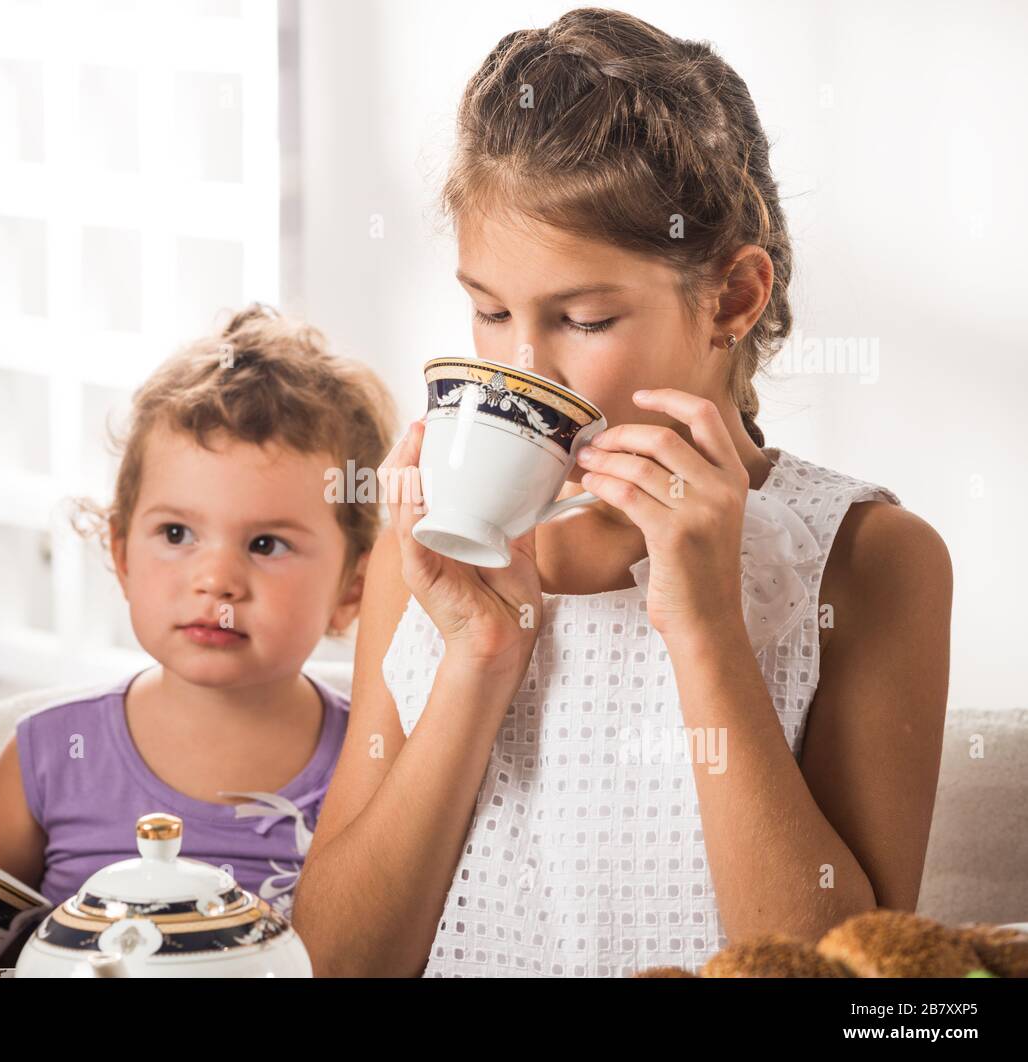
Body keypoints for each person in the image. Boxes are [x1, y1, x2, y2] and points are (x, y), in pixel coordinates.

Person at [292, 8, 952, 976]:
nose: (521, 367)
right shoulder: (424, 561)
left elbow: (852, 981)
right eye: (489, 309)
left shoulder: (868, 560)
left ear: (732, 298)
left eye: (586, 318)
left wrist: (706, 630)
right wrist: (475, 661)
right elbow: (335, 963)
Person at [0, 303, 397, 921]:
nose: (215, 580)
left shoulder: (378, 770)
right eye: (176, 534)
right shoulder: (47, 759)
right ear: (121, 554)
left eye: (266, 544)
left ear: (353, 589)